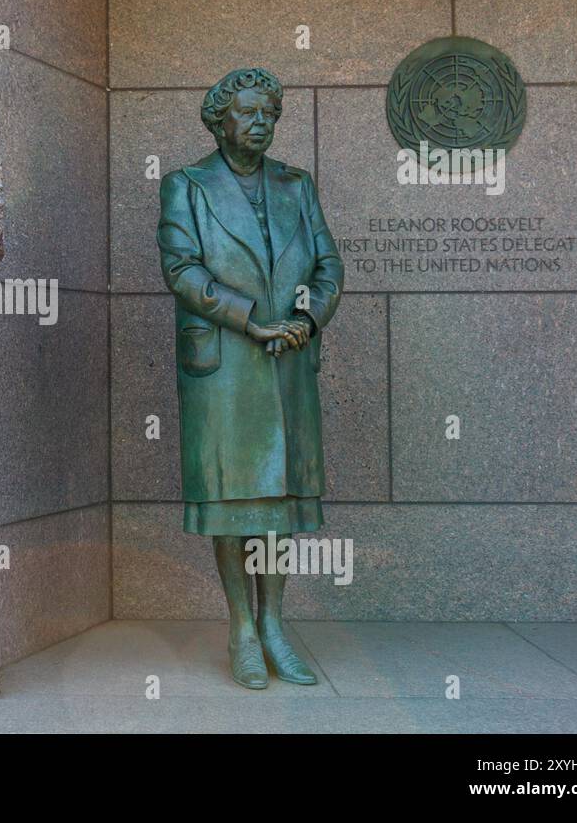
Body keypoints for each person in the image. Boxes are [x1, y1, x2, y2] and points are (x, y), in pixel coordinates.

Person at [157, 67, 343, 689]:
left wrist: (306, 319)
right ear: (219, 120)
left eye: (269, 112)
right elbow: (181, 269)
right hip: (226, 367)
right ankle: (241, 628)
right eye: (248, 112)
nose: (261, 122)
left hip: (287, 360)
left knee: (279, 503)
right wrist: (249, 321)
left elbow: (328, 263)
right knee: (235, 500)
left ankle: (275, 626)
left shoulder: (297, 184)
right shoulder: (186, 185)